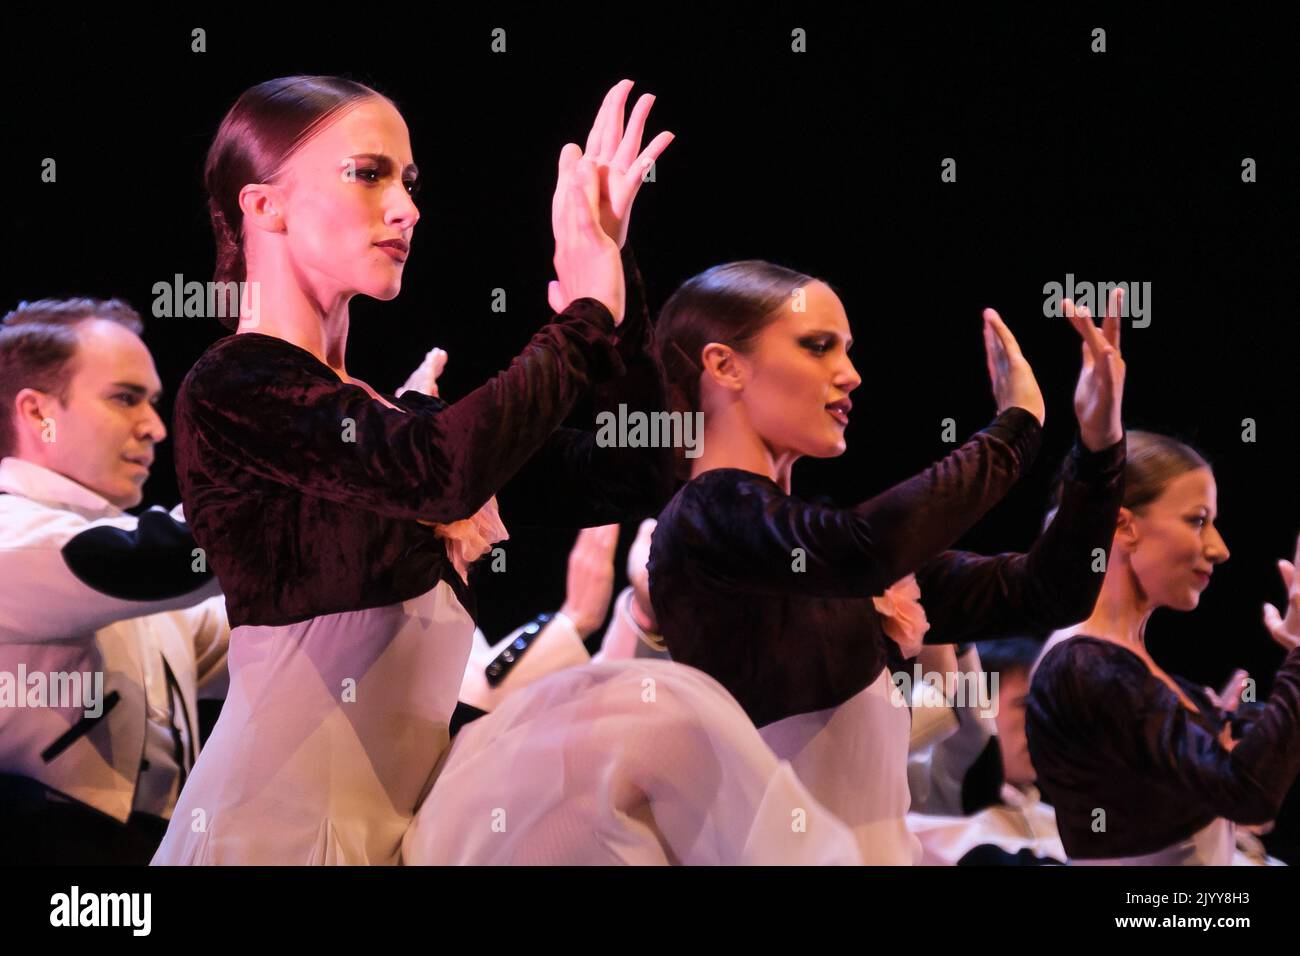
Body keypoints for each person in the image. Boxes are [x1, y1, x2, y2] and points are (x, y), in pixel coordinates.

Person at [151, 75, 674, 864]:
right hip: (270, 839)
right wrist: (582, 322)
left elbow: (639, 469)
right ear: (266, 207)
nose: (407, 207)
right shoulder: (234, 389)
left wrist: (611, 270)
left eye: (409, 181)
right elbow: (439, 473)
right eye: (369, 174)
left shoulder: (394, 424)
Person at [647, 267, 1127, 863]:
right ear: (725, 366)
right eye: (818, 346)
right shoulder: (706, 515)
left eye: (847, 351)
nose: (850, 375)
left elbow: (1048, 593)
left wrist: (1099, 452)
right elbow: (864, 547)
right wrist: (1015, 428)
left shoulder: (826, 553)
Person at [0, 297, 229, 864]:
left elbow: (281, 623)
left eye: (152, 402)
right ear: (36, 413)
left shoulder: (124, 548)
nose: (154, 427)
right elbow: (152, 562)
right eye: (125, 398)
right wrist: (315, 463)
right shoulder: (13, 534)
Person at [1027, 431, 1300, 864]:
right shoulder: (1083, 665)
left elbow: (1258, 767)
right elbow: (1248, 792)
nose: (1220, 548)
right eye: (1198, 520)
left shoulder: (1127, 666)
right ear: (1123, 526)